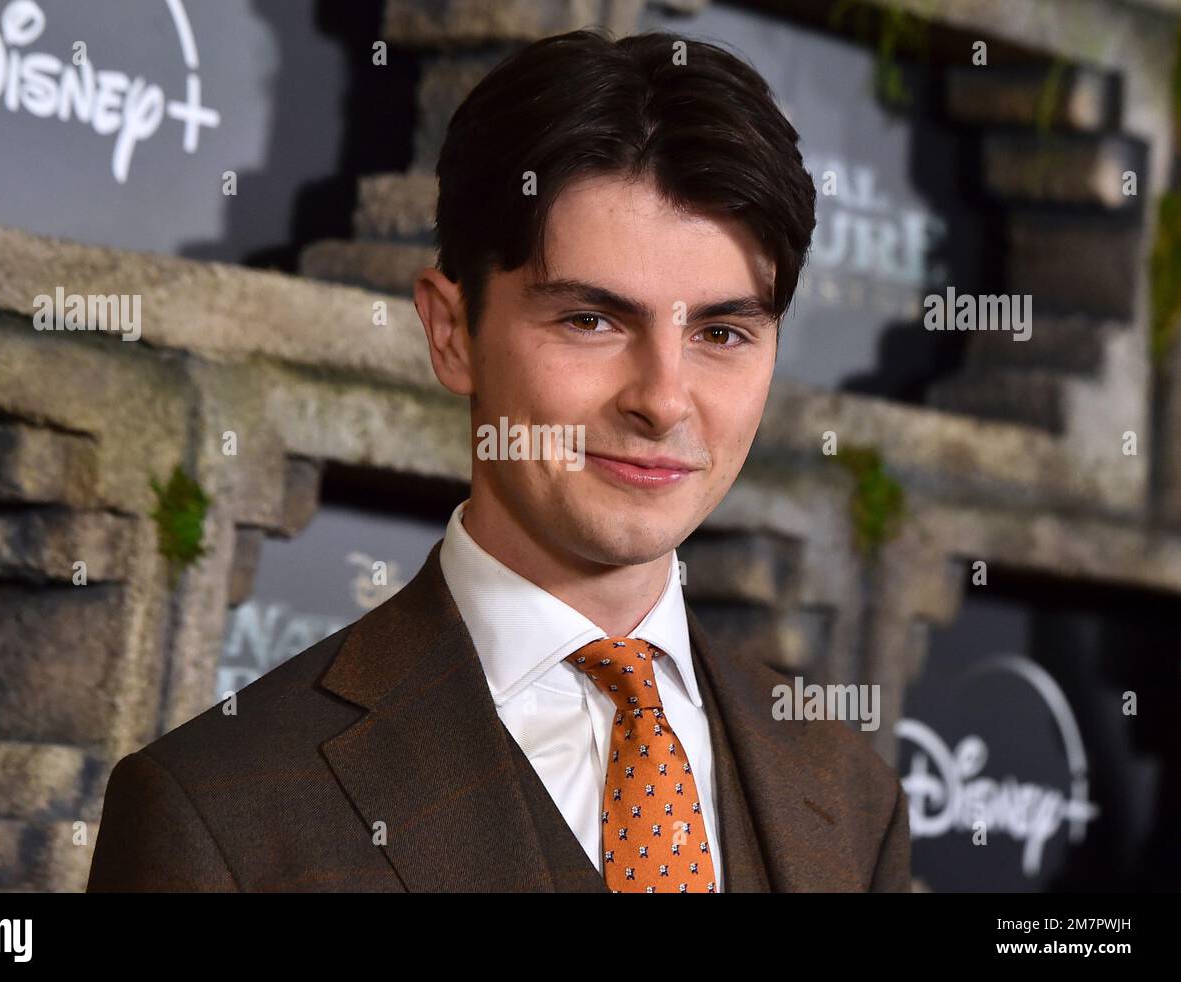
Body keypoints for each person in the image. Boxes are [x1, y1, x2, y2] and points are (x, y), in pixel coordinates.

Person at [87, 27, 911, 893]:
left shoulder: (850, 795)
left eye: (721, 333)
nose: (663, 400)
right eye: (591, 321)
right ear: (452, 333)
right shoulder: (217, 815)